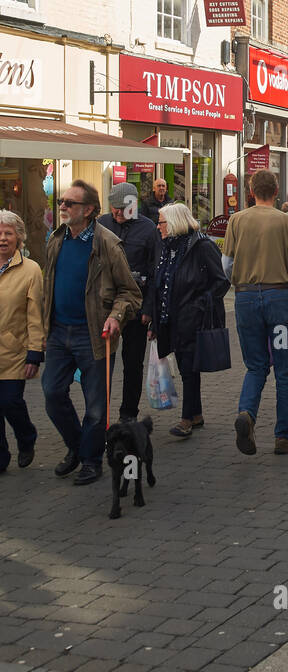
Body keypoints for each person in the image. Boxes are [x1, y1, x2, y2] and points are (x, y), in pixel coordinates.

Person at [42, 179, 141, 485]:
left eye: (69, 203)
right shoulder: (56, 239)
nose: (62, 207)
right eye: (61, 202)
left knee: (96, 406)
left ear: (87, 210)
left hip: (93, 334)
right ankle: (77, 446)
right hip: (59, 332)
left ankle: (91, 460)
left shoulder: (107, 243)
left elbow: (130, 293)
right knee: (51, 392)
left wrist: (115, 316)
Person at [222, 169, 288, 455]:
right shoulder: (285, 222)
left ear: (251, 192)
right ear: (277, 192)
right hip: (278, 303)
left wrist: (240, 284)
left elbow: (226, 264)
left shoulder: (236, 220)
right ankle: (282, 436)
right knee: (285, 370)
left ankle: (247, 413)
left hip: (246, 300)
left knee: (256, 365)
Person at [151, 203, 229, 440]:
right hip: (170, 318)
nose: (158, 227)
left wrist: (200, 303)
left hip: (192, 318)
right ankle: (195, 415)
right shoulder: (167, 248)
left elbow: (222, 281)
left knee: (188, 367)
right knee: (187, 367)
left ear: (174, 223)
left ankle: (187, 419)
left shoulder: (201, 246)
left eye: (161, 222)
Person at [97, 182, 160, 422]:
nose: (117, 213)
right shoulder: (102, 224)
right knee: (102, 362)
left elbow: (155, 272)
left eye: (122, 209)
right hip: (106, 306)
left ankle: (128, 413)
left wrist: (149, 308)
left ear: (133, 206)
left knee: (132, 364)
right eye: (114, 208)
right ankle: (99, 413)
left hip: (136, 307)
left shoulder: (147, 229)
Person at [0, 210, 43, 473]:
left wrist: (34, 353)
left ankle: (27, 437)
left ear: (19, 237)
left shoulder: (31, 270)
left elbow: (35, 315)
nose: (3, 238)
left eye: (8, 233)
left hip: (14, 351)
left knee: (9, 402)